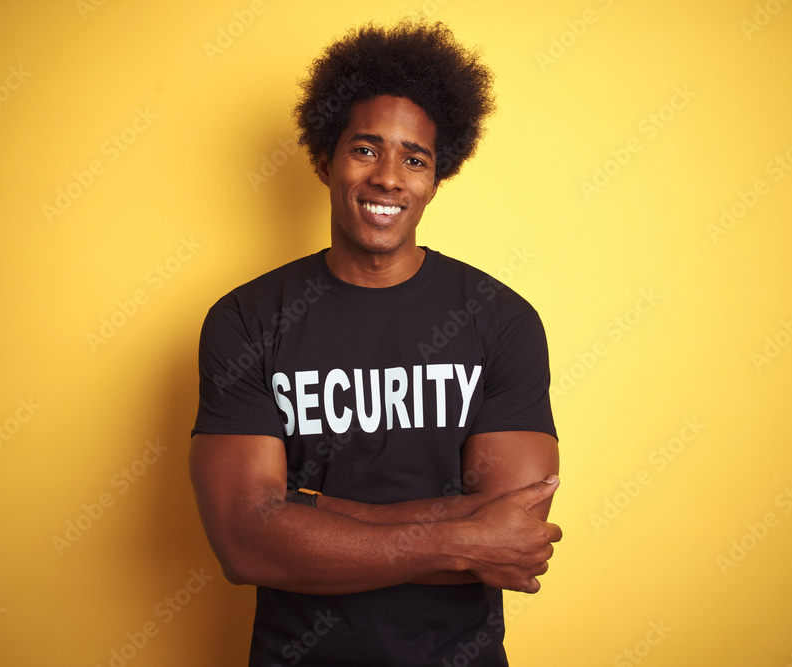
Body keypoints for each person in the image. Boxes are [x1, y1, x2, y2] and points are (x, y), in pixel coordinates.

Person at [189, 19, 561, 667]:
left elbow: (514, 537)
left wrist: (305, 510)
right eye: (366, 149)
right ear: (324, 158)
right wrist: (459, 538)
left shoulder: (501, 320)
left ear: (436, 178)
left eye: (414, 158)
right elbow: (246, 544)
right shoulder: (245, 320)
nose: (389, 177)